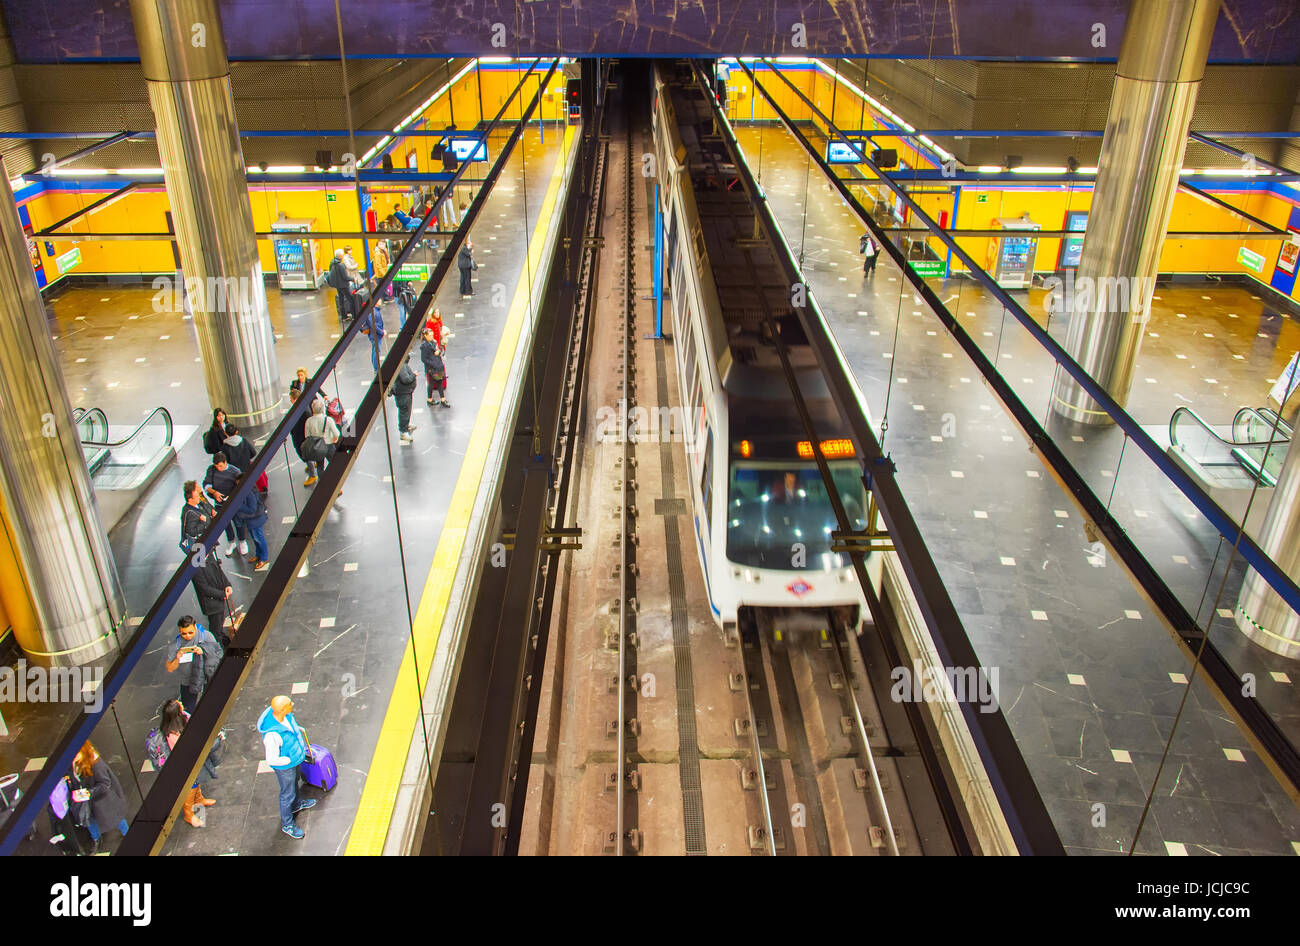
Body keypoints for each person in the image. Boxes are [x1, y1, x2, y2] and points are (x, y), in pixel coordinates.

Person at [257, 695, 317, 840]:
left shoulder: (286, 715)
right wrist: (288, 759)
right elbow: (272, 758)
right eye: (290, 703)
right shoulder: (272, 734)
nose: (293, 704)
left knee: (295, 782)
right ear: (283, 709)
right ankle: (287, 824)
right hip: (285, 767)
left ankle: (297, 804)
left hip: (295, 760)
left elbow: (292, 730)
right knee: (287, 793)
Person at [158, 699, 218, 827]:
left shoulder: (182, 718)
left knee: (196, 782)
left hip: (191, 759)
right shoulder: (172, 735)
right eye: (178, 704)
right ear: (177, 714)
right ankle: (188, 814)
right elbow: (184, 751)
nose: (180, 702)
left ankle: (199, 799)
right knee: (191, 786)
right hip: (184, 764)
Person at [70, 741, 128, 853]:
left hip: (102, 800)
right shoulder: (75, 762)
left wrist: (87, 793)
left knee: (116, 818)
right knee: (90, 820)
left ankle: (127, 832)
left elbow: (105, 784)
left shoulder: (96, 764)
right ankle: (96, 839)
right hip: (88, 800)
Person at [165, 615, 224, 709]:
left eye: (190, 632)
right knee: (188, 708)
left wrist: (203, 651)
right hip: (188, 680)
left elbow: (218, 653)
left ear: (195, 627)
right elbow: (169, 668)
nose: (188, 636)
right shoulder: (176, 645)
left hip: (206, 677)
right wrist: (177, 658)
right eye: (183, 633)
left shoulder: (206, 636)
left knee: (212, 706)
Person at [191, 550, 236, 647]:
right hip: (211, 604)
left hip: (219, 599)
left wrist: (227, 584)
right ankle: (217, 648)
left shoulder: (210, 555)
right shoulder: (195, 566)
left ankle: (222, 639)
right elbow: (204, 588)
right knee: (215, 629)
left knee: (219, 623)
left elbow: (219, 572)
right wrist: (222, 594)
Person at [203, 452, 245, 555]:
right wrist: (214, 492)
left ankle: (242, 541)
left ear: (225, 462)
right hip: (219, 504)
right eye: (217, 466)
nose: (219, 469)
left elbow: (240, 487)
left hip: (233, 503)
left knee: (238, 523)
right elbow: (206, 484)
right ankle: (231, 542)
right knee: (225, 524)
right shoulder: (211, 469)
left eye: (221, 466)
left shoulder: (235, 471)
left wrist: (231, 497)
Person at [233, 484, 270, 570]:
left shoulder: (248, 493)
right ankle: (258, 555)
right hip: (252, 520)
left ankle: (264, 558)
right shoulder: (248, 490)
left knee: (259, 538)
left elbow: (251, 509)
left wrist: (238, 506)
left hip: (255, 519)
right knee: (255, 538)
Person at [288, 388, 319, 487]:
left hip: (302, 438)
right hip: (301, 436)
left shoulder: (303, 410)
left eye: (291, 398)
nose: (290, 400)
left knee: (306, 455)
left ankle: (313, 475)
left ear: (294, 398)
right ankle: (312, 466)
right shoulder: (301, 407)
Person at [302, 397, 341, 474]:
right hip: (328, 445)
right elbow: (337, 433)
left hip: (317, 447)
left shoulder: (309, 421)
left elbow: (307, 436)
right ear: (322, 409)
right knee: (334, 463)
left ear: (313, 409)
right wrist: (335, 439)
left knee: (320, 467)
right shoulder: (328, 419)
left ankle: (322, 482)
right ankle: (336, 477)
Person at [180, 479, 217, 554]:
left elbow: (207, 506)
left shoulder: (199, 498)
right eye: (197, 487)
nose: (200, 487)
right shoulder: (190, 512)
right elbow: (192, 532)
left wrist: (212, 510)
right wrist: (203, 522)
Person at [390, 355, 419, 444]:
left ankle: (406, 425)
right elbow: (406, 379)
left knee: (406, 411)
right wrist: (414, 375)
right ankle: (403, 432)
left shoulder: (402, 365)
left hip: (405, 393)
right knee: (404, 411)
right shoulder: (401, 366)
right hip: (403, 394)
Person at [420, 329, 450, 407]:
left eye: (432, 335)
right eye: (430, 335)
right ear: (425, 336)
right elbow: (423, 359)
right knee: (436, 383)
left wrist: (438, 353)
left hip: (436, 367)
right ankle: (441, 400)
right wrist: (433, 363)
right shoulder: (424, 346)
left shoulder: (433, 342)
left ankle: (431, 399)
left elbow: (438, 351)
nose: (431, 337)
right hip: (432, 368)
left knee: (434, 383)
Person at [326, 249, 354, 321]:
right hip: (343, 285)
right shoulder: (341, 265)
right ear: (341, 256)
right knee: (351, 299)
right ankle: (353, 314)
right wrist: (352, 279)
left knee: (341, 300)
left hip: (337, 285)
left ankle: (343, 316)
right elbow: (345, 277)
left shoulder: (332, 263)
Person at [361, 290, 385, 372]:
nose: (380, 300)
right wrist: (382, 332)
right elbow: (373, 325)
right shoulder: (373, 312)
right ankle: (376, 368)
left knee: (375, 350)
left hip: (376, 334)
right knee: (376, 351)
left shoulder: (375, 310)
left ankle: (376, 367)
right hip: (375, 335)